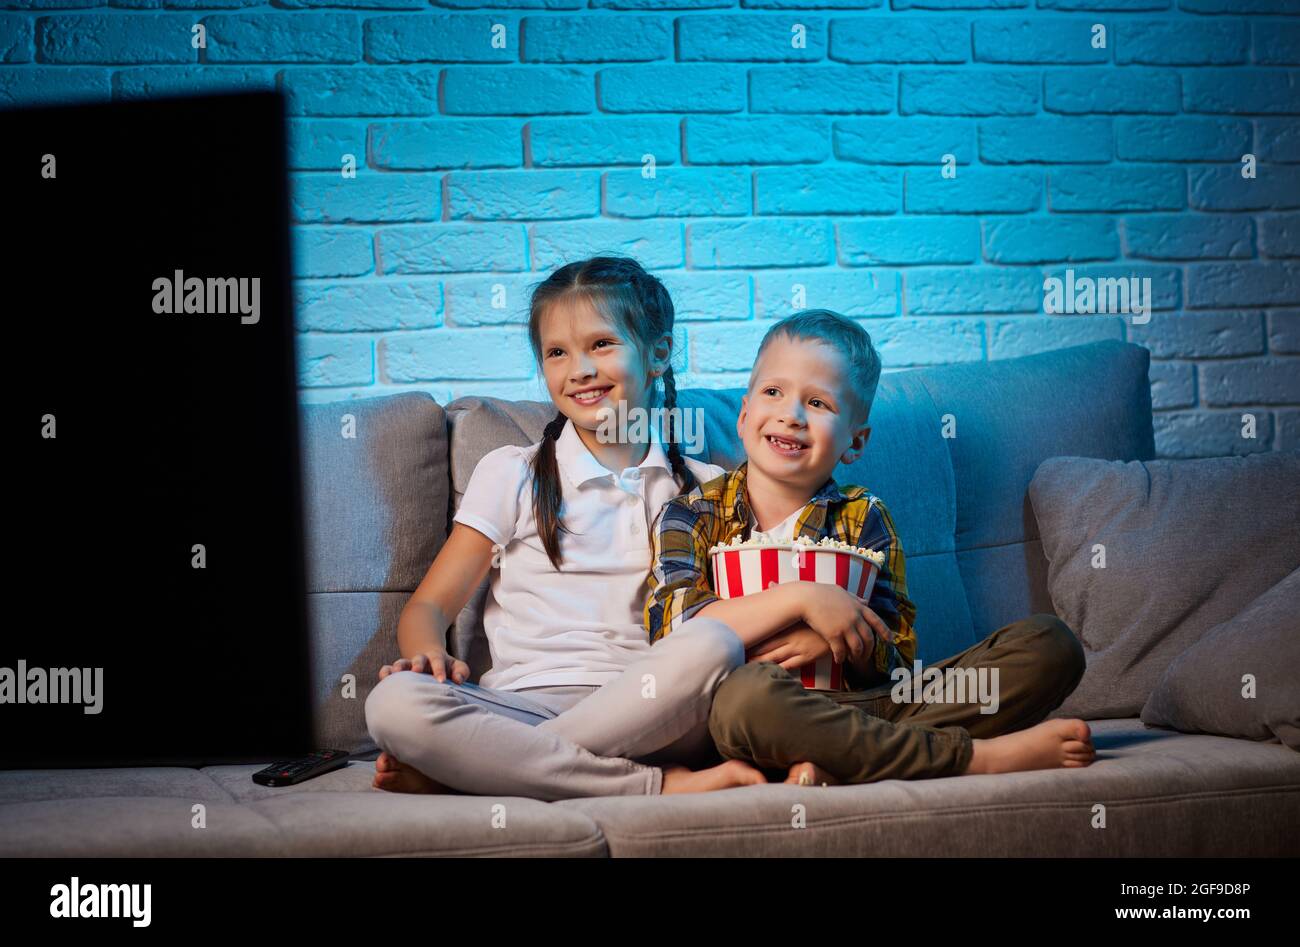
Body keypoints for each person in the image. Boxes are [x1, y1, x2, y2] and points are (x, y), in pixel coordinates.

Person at [364, 256, 768, 800]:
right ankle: (649, 786)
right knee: (392, 704)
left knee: (716, 641)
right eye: (557, 352)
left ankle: (480, 770)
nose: (578, 369)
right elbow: (429, 609)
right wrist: (426, 655)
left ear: (658, 353)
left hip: (655, 707)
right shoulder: (513, 472)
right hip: (521, 705)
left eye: (601, 344)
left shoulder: (707, 488)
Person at [644, 309, 1096, 787]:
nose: (791, 415)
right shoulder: (691, 514)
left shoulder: (865, 517)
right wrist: (806, 600)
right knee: (745, 700)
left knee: (1052, 645)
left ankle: (842, 758)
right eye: (773, 392)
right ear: (744, 414)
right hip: (762, 708)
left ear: (854, 443)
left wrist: (841, 643)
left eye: (818, 403)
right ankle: (971, 758)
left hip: (871, 704)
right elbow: (676, 630)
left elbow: (897, 655)